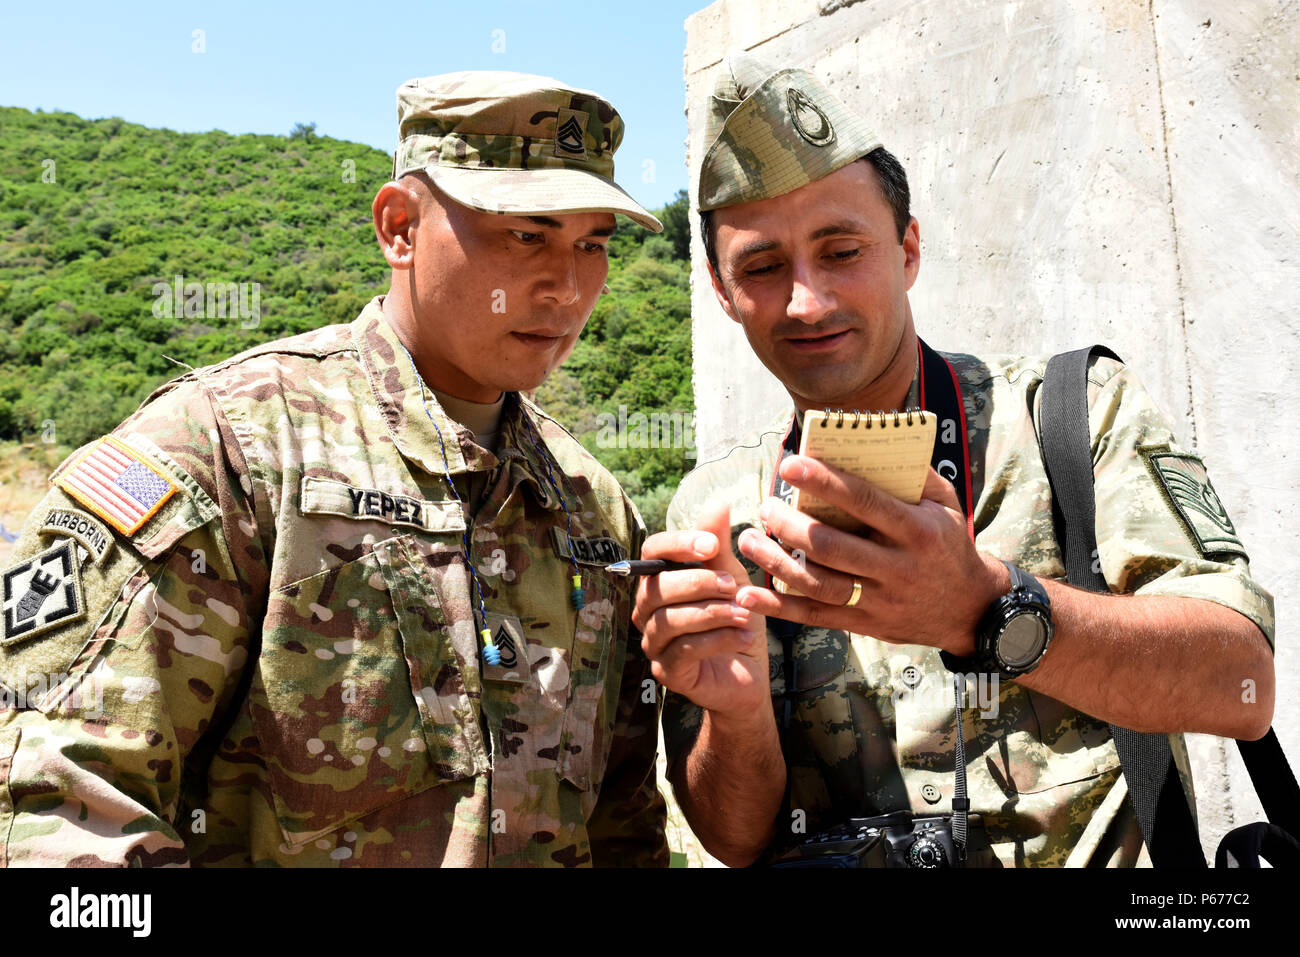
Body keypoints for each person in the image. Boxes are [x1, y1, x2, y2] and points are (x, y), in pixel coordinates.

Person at [0, 71, 669, 867]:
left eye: (593, 243)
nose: (567, 284)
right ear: (400, 228)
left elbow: (623, 822)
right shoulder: (225, 452)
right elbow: (60, 816)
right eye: (527, 232)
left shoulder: (592, 508)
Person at [635, 52, 1276, 867]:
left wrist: (989, 607)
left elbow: (1243, 683)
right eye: (762, 267)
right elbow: (735, 838)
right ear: (723, 292)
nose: (808, 300)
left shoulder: (1069, 416)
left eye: (841, 250)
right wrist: (737, 714)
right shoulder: (718, 510)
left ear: (907, 249)